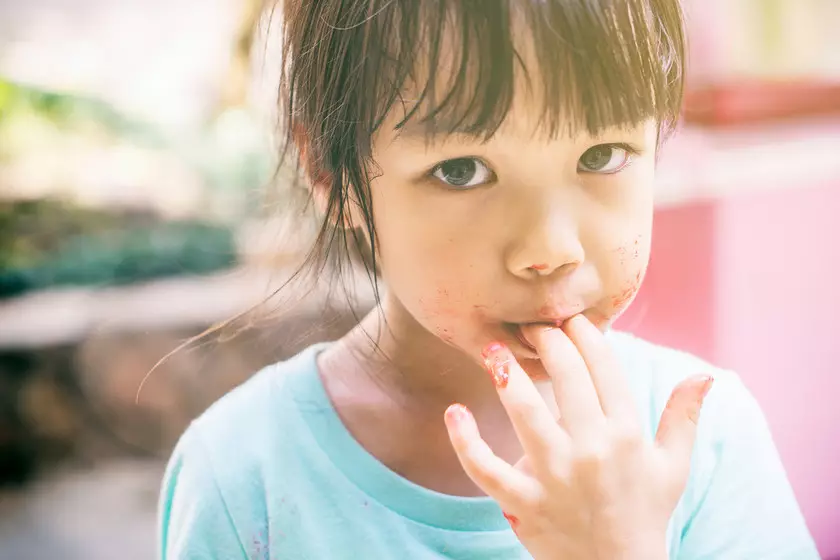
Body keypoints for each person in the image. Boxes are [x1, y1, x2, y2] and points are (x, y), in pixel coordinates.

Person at [158, 1, 819, 558]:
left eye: (602, 155)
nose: (549, 250)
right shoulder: (244, 477)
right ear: (330, 174)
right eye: (461, 171)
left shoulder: (702, 442)